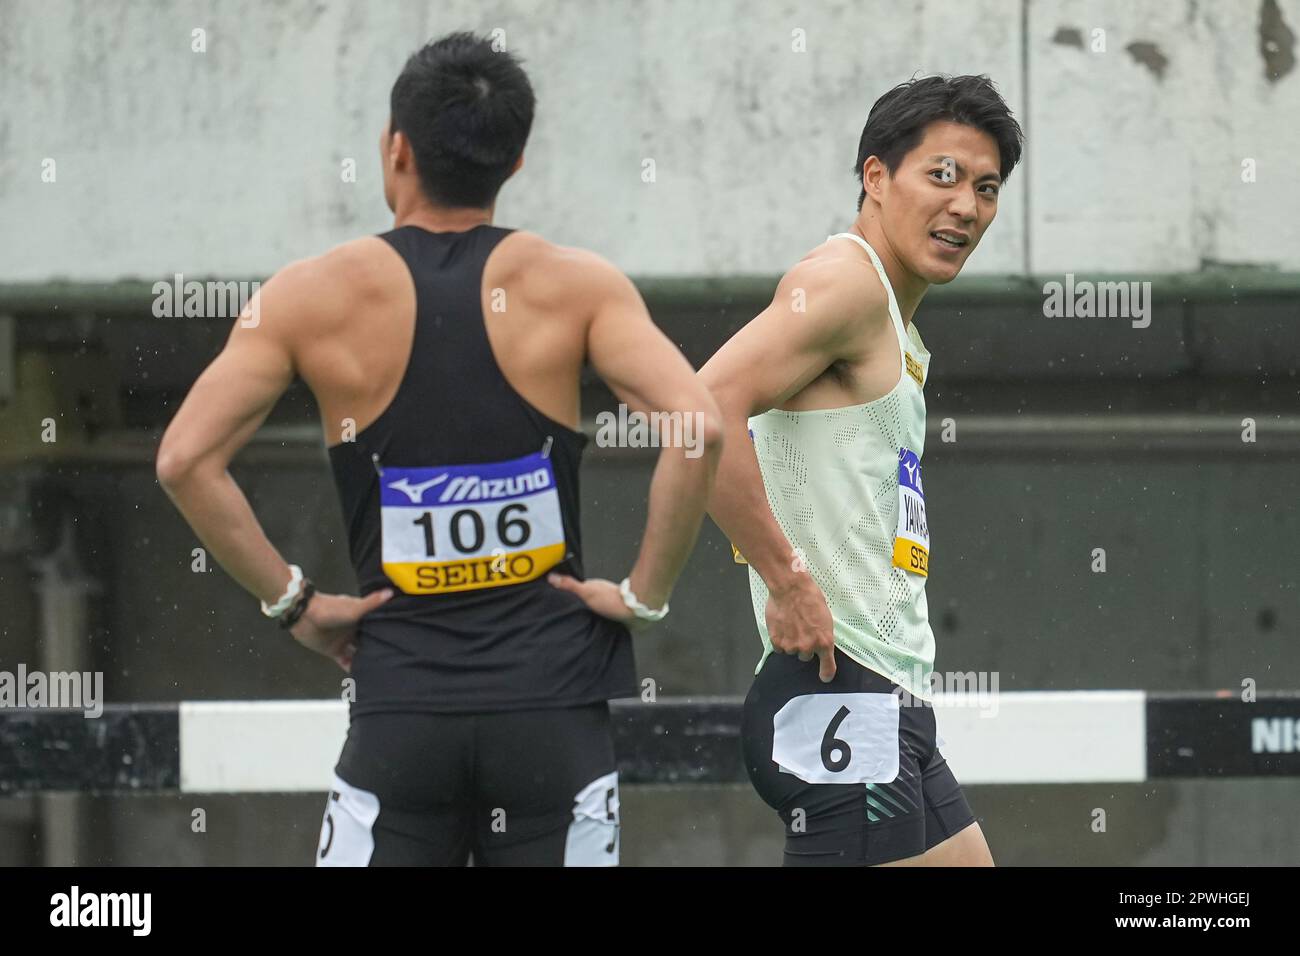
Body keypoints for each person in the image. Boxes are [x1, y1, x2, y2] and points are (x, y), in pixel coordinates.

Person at [156, 32, 722, 866]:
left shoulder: (308, 296)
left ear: (396, 148)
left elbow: (182, 462)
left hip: (401, 713)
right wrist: (644, 595)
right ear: (516, 160)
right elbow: (700, 427)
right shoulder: (578, 286)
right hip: (554, 718)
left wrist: (297, 605)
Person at [697, 75, 1023, 866]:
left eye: (986, 187)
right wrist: (785, 577)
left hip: (888, 698)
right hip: (839, 691)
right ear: (875, 177)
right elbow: (699, 410)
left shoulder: (891, 319)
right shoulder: (843, 285)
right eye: (942, 176)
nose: (967, 207)